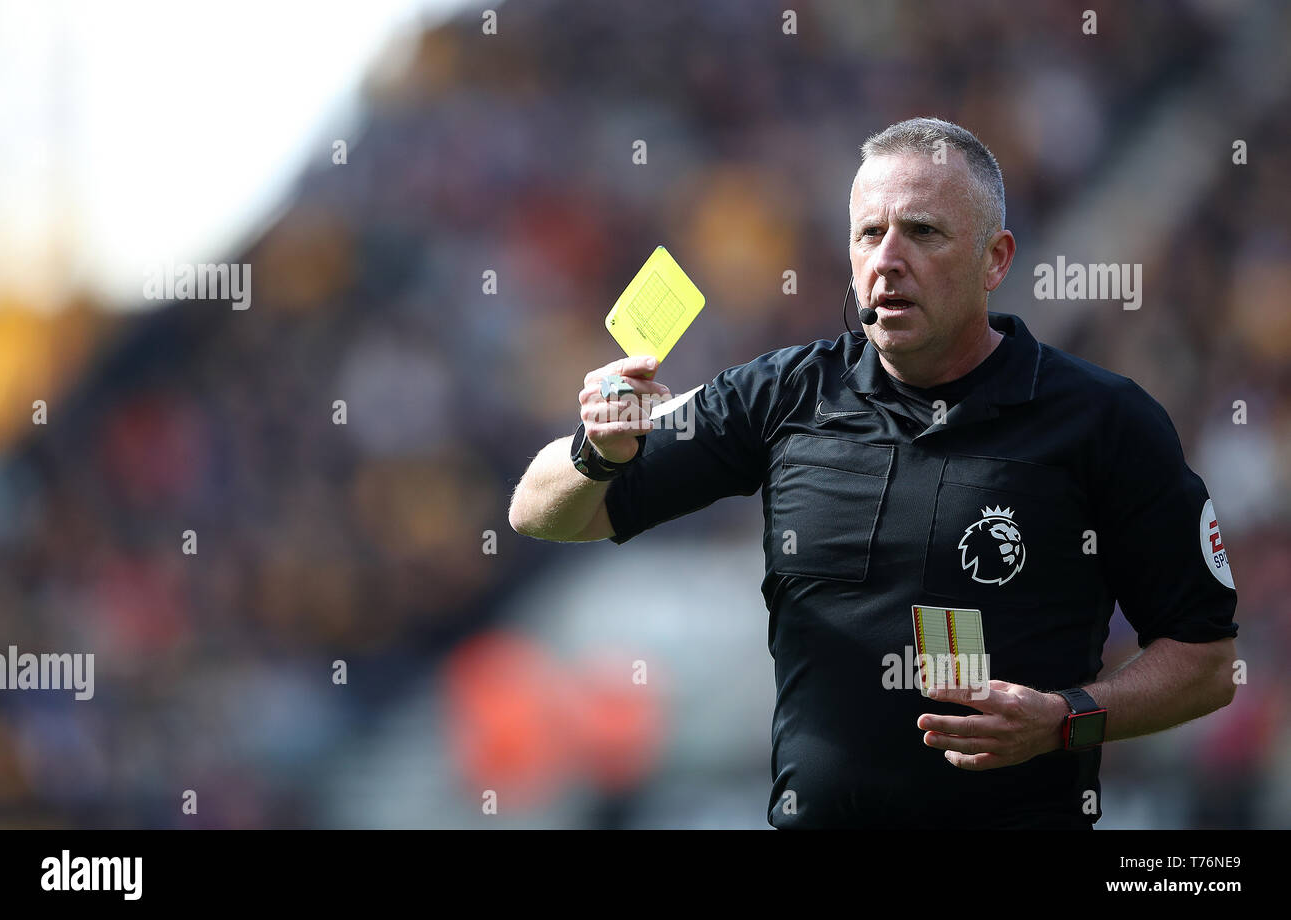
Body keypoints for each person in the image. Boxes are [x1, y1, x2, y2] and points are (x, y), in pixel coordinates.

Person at [507, 117, 1239, 829]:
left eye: (923, 232)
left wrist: (1064, 720)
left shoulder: (1103, 420)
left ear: (996, 259)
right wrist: (595, 452)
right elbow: (543, 514)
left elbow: (1205, 663)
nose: (888, 258)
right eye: (869, 234)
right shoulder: (782, 395)